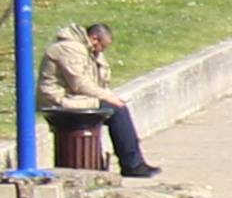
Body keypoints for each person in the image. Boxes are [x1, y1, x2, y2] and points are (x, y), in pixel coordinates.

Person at [35, 23, 156, 179]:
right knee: (117, 110)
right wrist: (107, 97)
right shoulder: (70, 49)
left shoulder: (87, 50)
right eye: (102, 47)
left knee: (116, 107)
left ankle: (131, 162)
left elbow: (98, 81)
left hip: (72, 98)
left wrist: (109, 94)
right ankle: (132, 165)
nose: (101, 51)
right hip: (58, 101)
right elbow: (79, 84)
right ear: (94, 39)